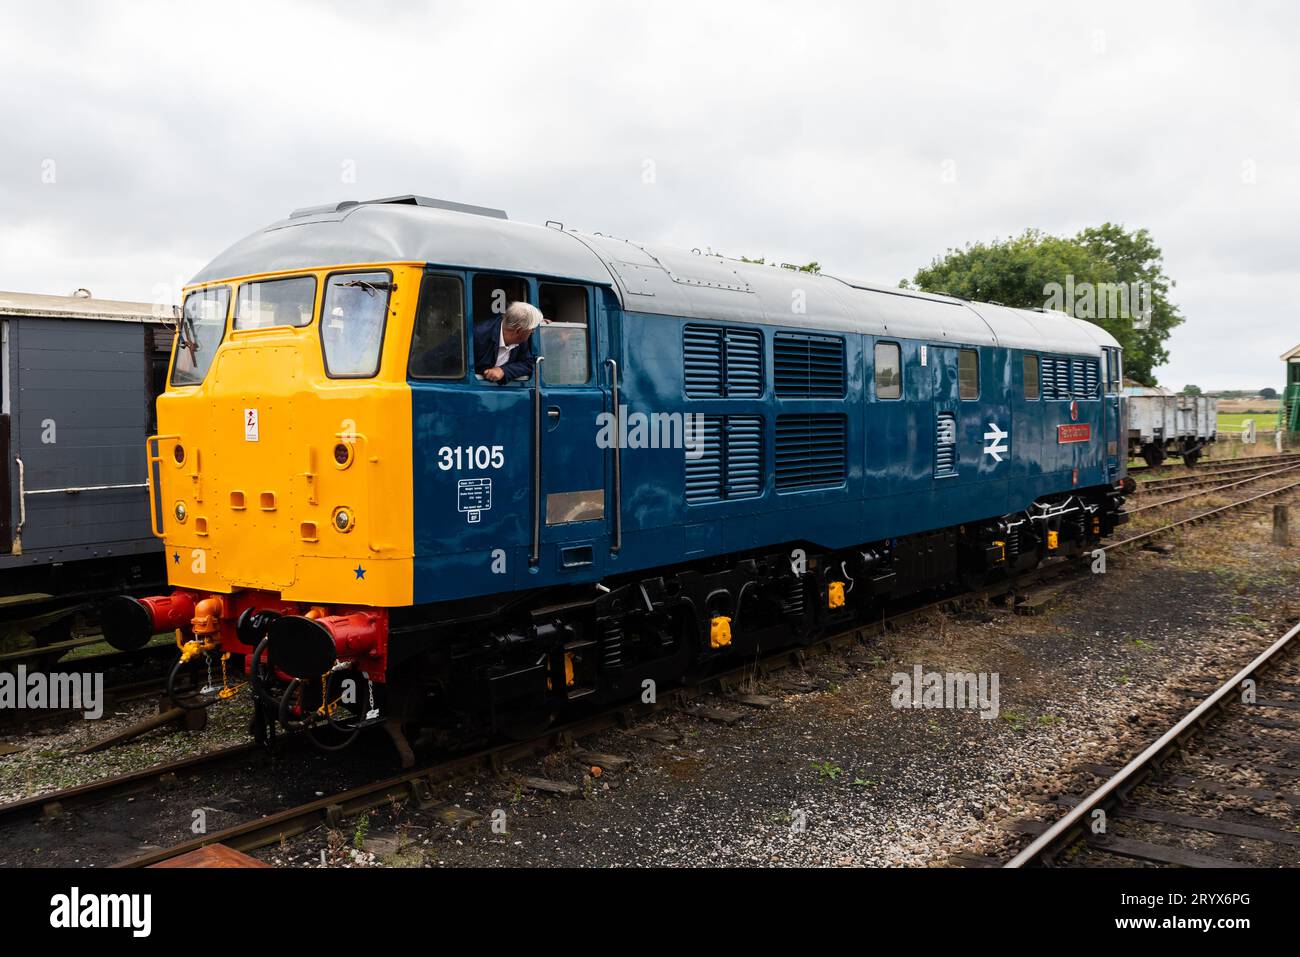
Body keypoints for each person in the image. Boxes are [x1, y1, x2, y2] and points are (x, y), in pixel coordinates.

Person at [475, 301, 541, 382]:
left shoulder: (521, 339)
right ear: (519, 331)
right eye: (532, 329)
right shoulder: (478, 335)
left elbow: (528, 364)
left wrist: (503, 371)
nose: (533, 332)